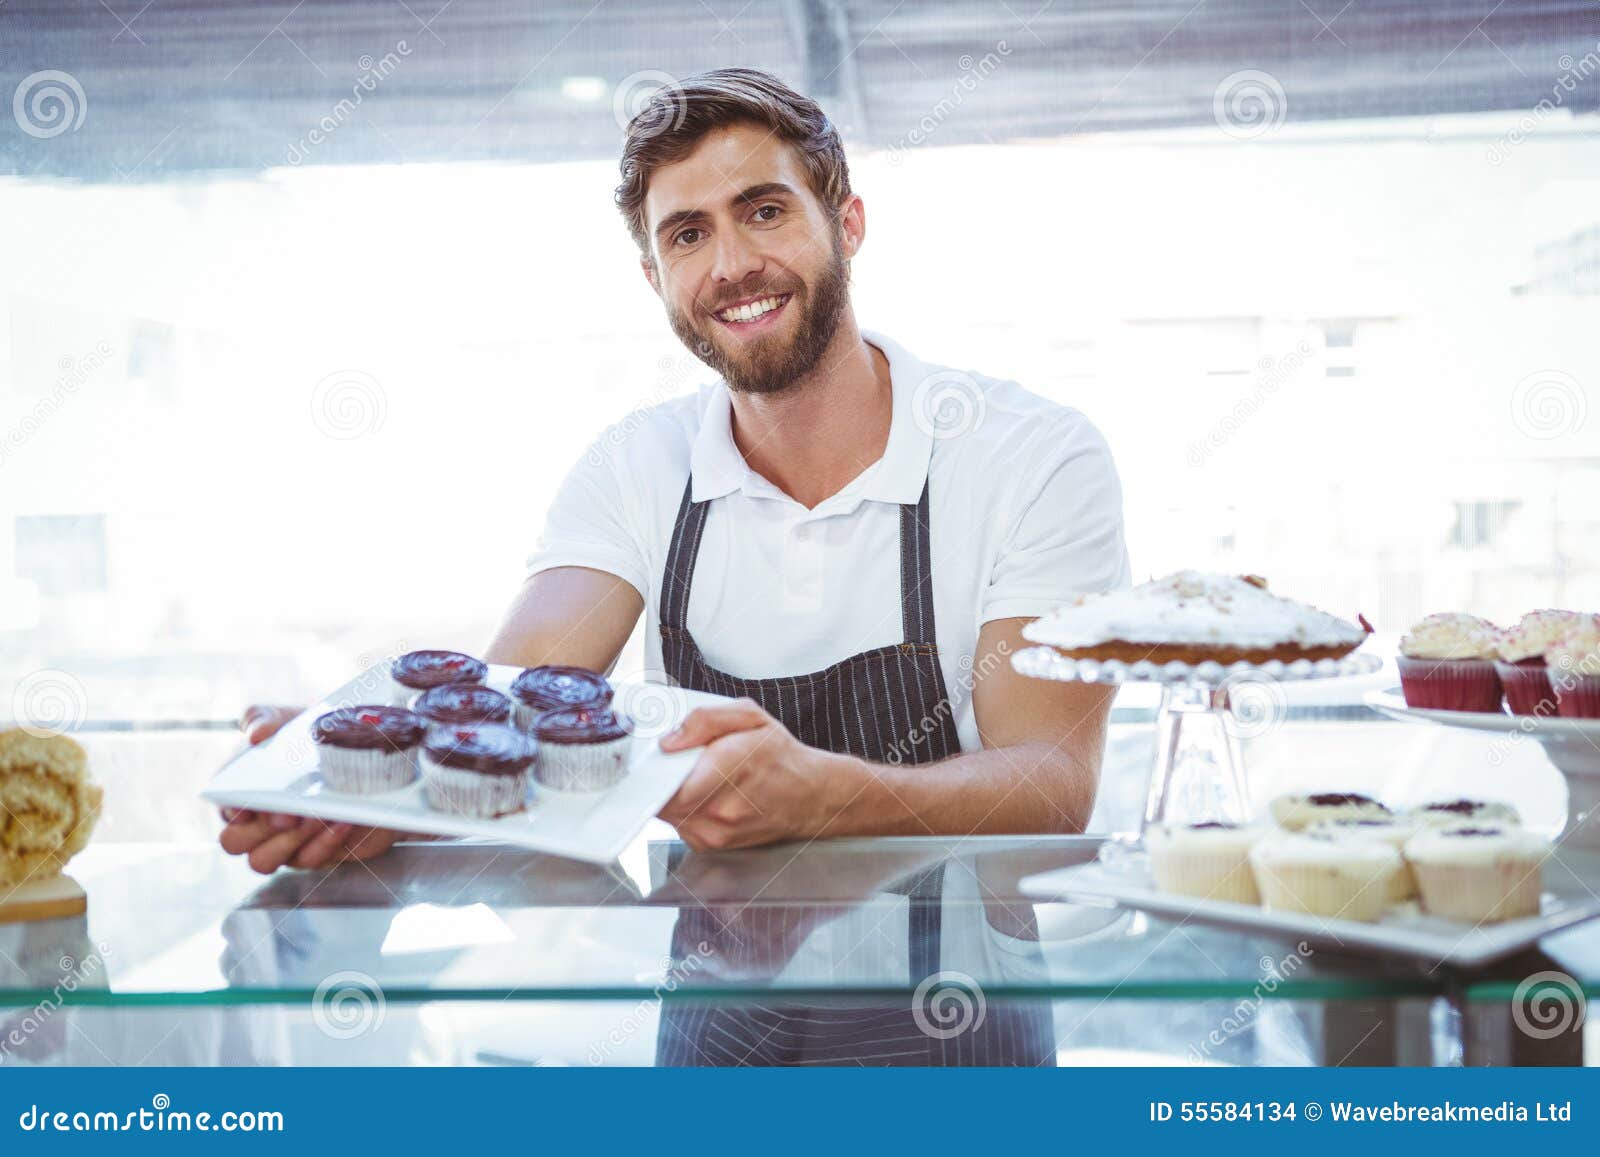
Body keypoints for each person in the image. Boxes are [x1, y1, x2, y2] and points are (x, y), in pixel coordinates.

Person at [222, 66, 1130, 876]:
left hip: (962, 1016)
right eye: (688, 235)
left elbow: (1053, 784)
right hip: (718, 1009)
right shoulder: (635, 466)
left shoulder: (1032, 456)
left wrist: (827, 795)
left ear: (847, 224)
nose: (733, 265)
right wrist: (356, 786)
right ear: (654, 274)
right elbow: (509, 711)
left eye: (765, 211)